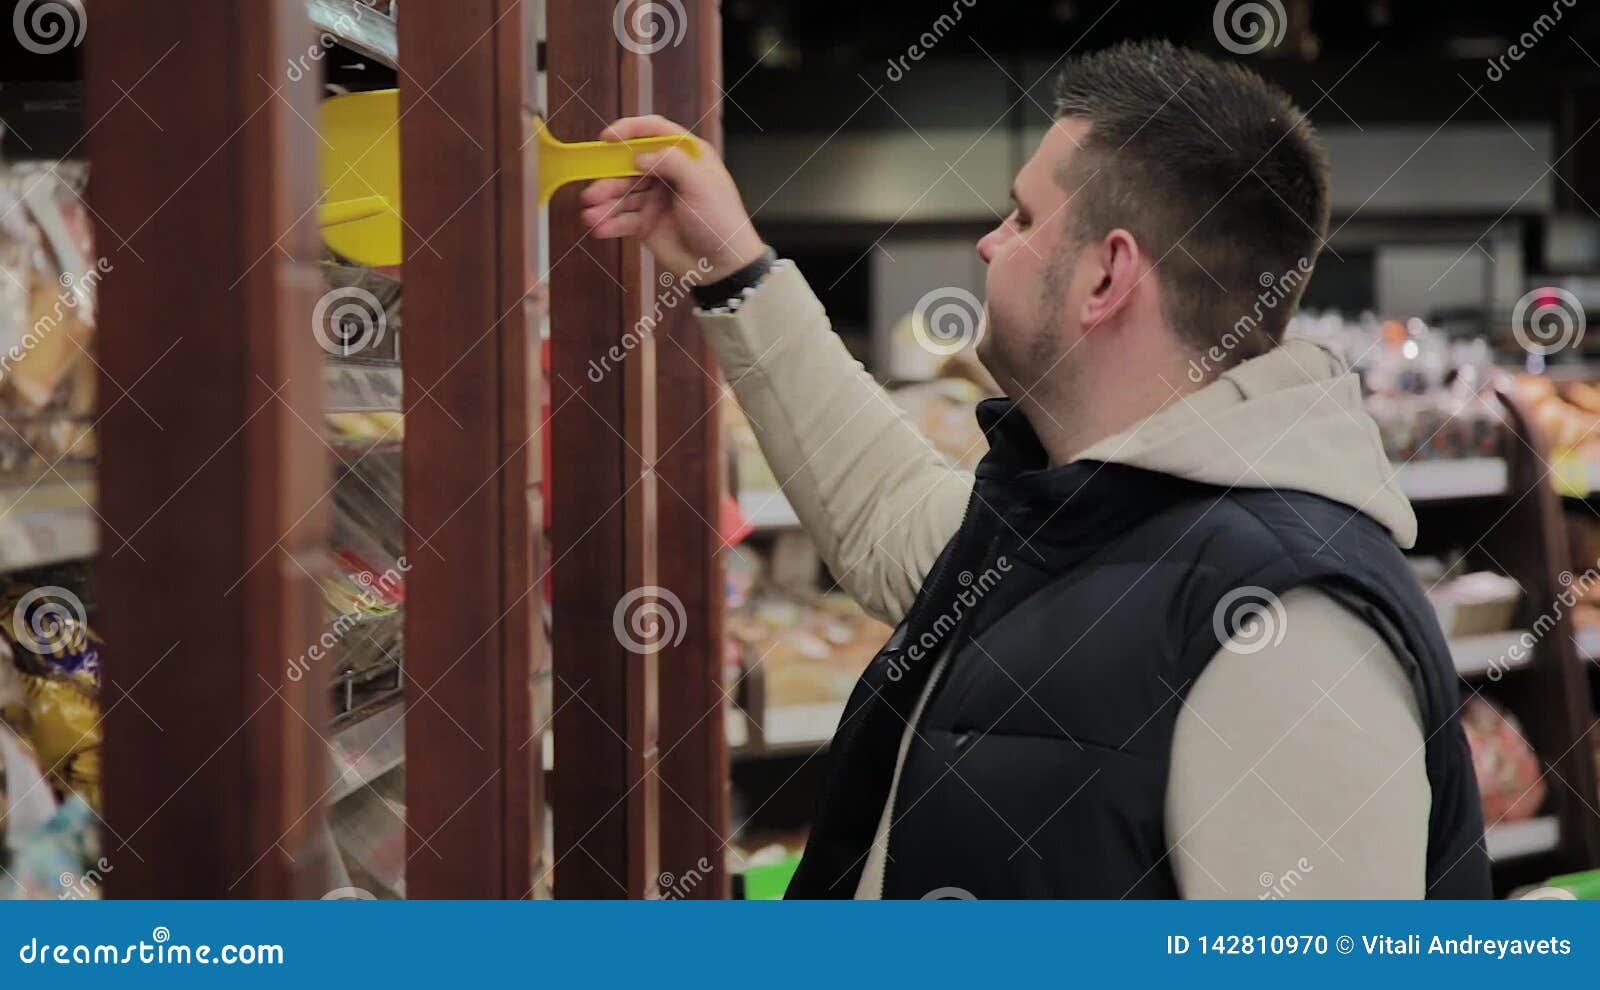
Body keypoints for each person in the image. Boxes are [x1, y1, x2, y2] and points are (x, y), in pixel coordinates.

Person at [579, 40, 1490, 899]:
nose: (989, 242)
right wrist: (729, 265)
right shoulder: (1097, 515)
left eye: (1020, 216)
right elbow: (890, 520)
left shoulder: (1291, 626)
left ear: (1106, 277)